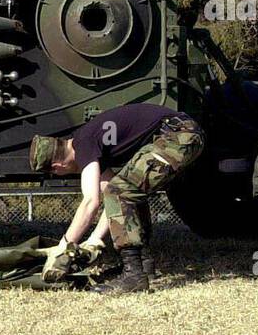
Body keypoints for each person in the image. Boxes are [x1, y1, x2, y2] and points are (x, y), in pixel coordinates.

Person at [28, 104, 205, 293]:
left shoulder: (84, 144)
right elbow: (112, 199)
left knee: (121, 190)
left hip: (179, 135)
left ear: (56, 166)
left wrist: (63, 248)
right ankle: (143, 265)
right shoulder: (88, 142)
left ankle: (134, 276)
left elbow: (91, 202)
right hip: (180, 132)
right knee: (128, 191)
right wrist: (94, 241)